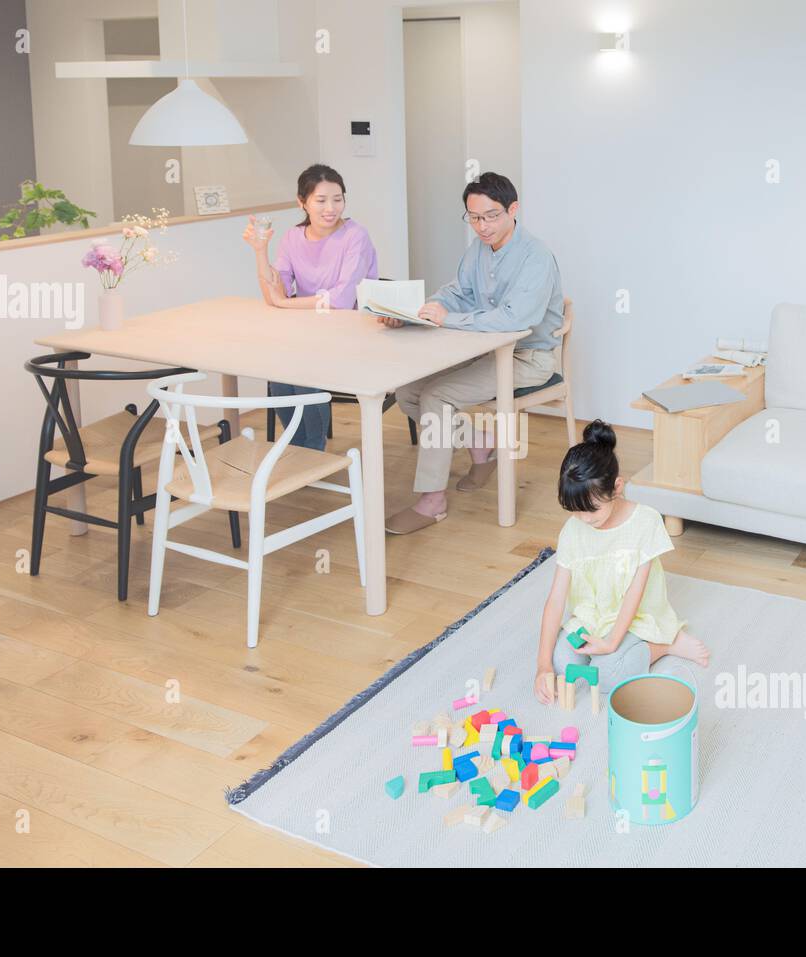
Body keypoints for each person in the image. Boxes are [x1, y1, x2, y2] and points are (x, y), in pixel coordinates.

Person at [382, 172, 563, 534]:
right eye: (474, 217)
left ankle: (432, 502)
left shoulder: (536, 257)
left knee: (437, 396)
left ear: (513, 209)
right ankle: (482, 444)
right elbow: (457, 293)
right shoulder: (478, 250)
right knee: (408, 392)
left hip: (527, 357)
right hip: (485, 350)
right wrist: (419, 311)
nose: (482, 226)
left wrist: (449, 319)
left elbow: (515, 319)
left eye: (491, 216)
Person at [533, 420, 711, 704]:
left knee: (609, 677)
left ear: (617, 487)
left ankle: (665, 644)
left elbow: (635, 593)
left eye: (592, 510)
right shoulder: (573, 531)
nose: (584, 519)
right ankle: (614, 651)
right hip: (593, 617)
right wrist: (542, 666)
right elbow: (556, 599)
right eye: (575, 511)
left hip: (635, 617)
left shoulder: (645, 521)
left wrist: (612, 642)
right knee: (563, 665)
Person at [242, 163, 378, 450]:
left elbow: (341, 301)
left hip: (351, 331)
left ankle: (313, 448)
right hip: (307, 330)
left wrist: (285, 303)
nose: (331, 208)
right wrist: (260, 251)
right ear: (302, 202)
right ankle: (298, 445)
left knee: (304, 373)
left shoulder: (355, 235)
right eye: (321, 200)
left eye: (337, 199)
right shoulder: (293, 237)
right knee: (279, 377)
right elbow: (274, 294)